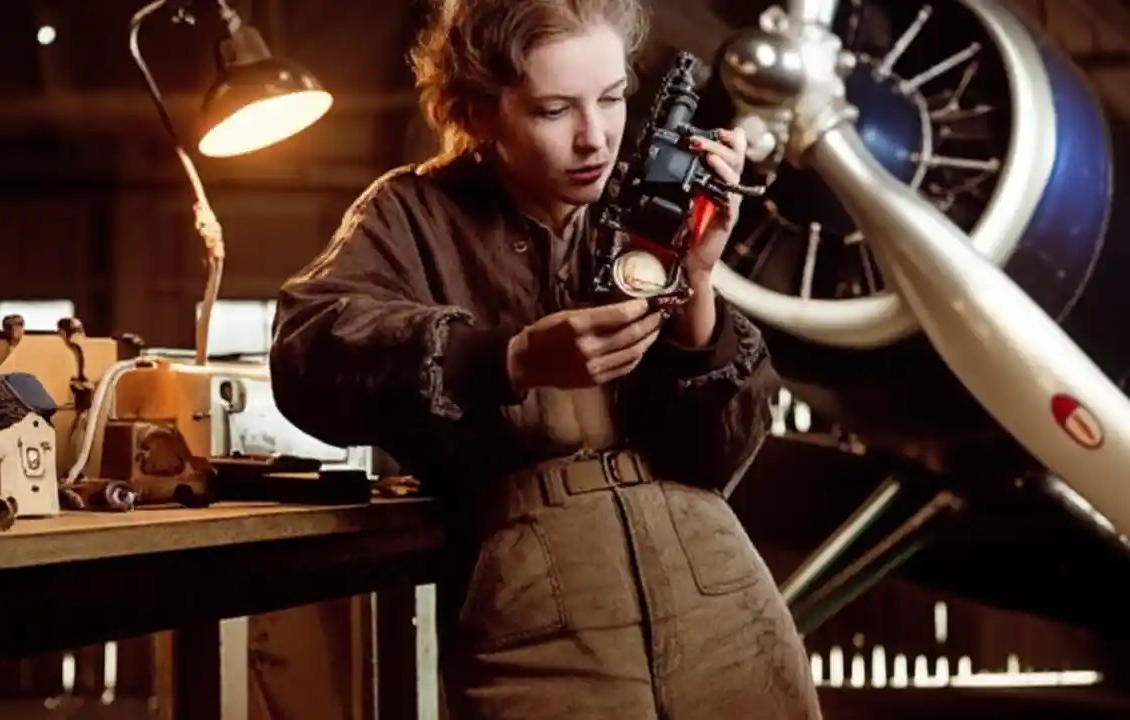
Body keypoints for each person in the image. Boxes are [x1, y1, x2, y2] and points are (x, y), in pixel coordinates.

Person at [269, 0, 822, 717]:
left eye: (614, 97)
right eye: (554, 110)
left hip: (724, 602)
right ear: (479, 114)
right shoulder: (412, 213)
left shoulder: (647, 199)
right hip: (540, 617)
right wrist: (509, 359)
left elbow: (716, 460)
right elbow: (307, 355)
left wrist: (697, 281)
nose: (595, 138)